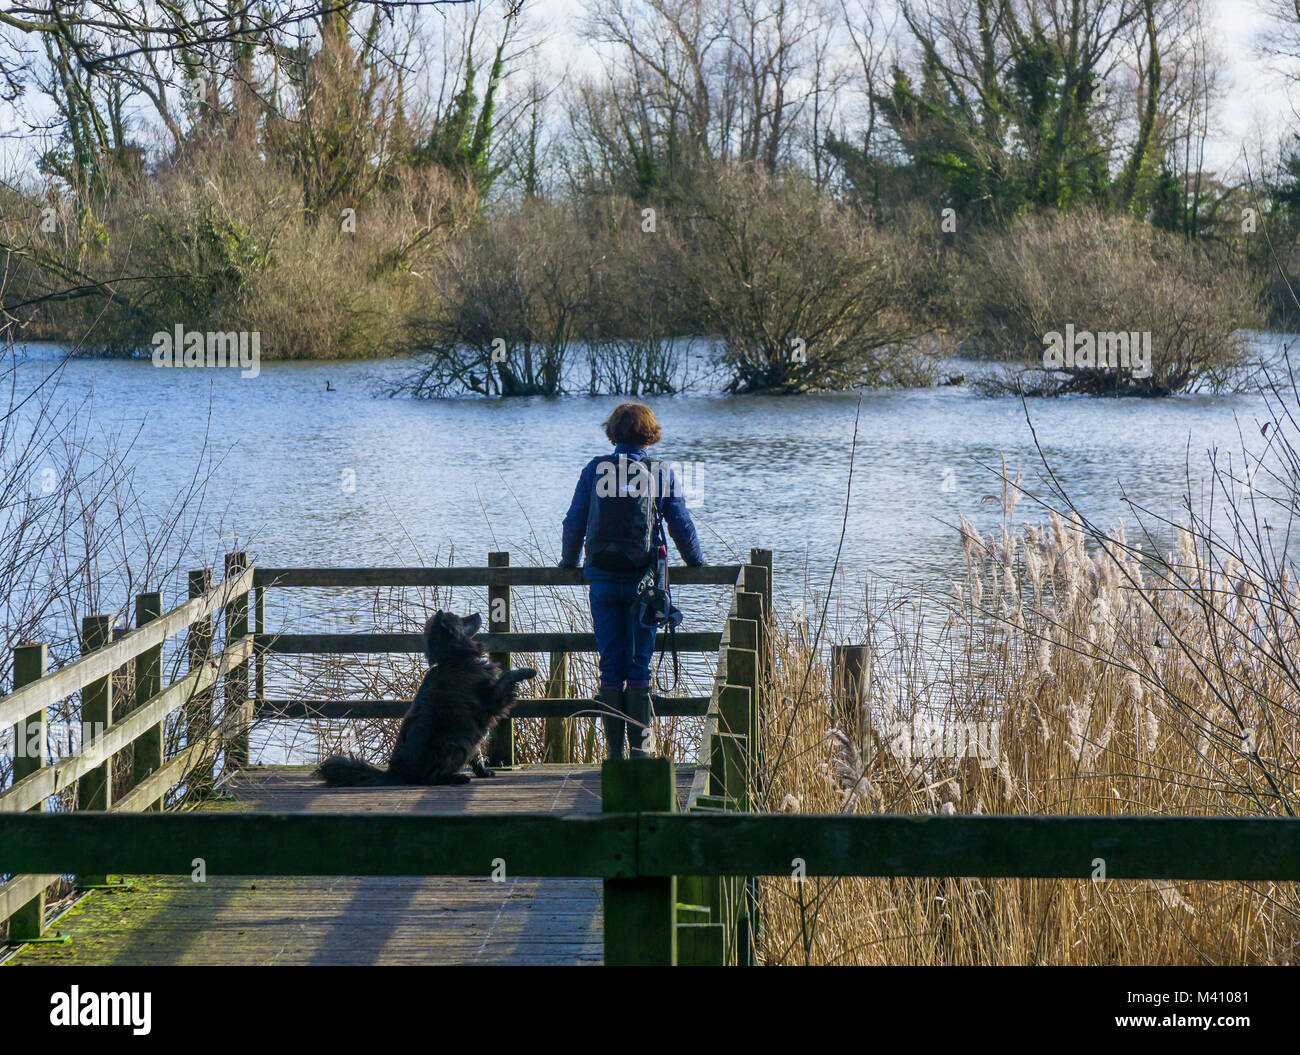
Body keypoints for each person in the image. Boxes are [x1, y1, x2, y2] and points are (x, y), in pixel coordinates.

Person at [560, 403, 703, 758]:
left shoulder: (595, 469)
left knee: (610, 666)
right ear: (649, 435)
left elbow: (573, 522)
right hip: (645, 584)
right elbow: (681, 524)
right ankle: (640, 756)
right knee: (639, 666)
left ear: (614, 433)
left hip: (603, 581)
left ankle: (613, 757)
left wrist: (568, 562)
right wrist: (696, 561)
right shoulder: (660, 471)